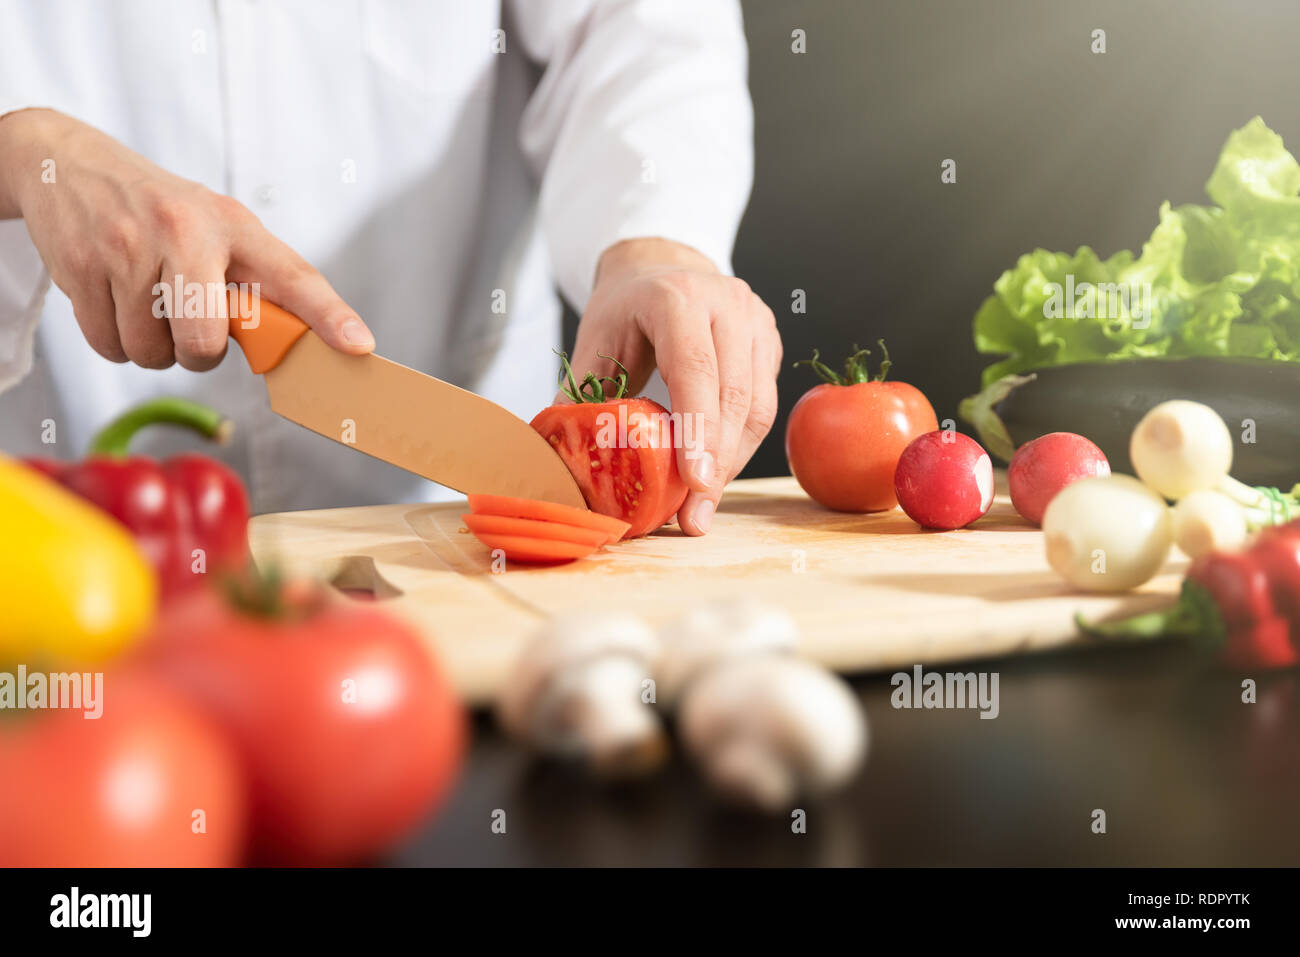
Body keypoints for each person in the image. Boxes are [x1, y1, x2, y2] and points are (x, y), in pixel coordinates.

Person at [0, 0, 780, 535]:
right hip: (58, 535)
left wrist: (654, 242)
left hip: (456, 549)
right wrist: (25, 153)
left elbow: (637, 25)